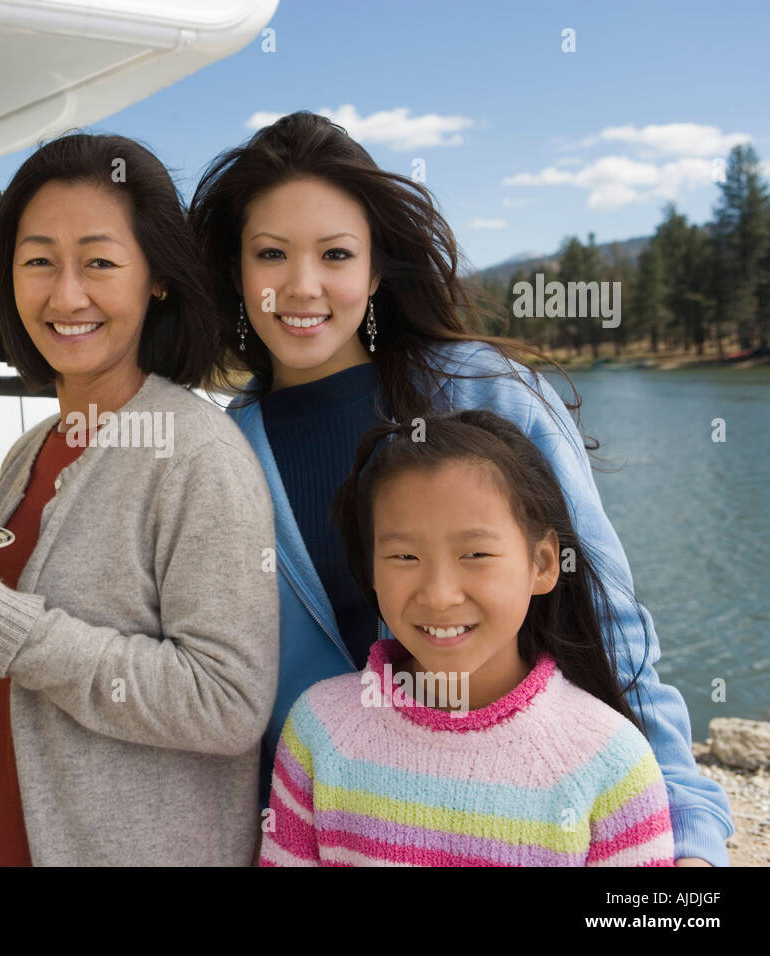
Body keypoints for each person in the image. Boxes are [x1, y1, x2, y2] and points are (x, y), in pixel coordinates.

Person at [188, 110, 732, 864]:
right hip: (343, 832)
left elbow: (609, 622)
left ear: (375, 272)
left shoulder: (487, 393)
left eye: (336, 254)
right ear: (236, 270)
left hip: (513, 825)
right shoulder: (222, 448)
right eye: (271, 254)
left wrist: (691, 834)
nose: (301, 286)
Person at [0, 132, 279, 866]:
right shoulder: (33, 450)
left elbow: (227, 704)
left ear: (158, 280)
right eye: (39, 261)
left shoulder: (196, 457)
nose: (66, 294)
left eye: (100, 263)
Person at [260, 410, 675, 866]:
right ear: (371, 567)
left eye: (475, 553)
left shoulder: (610, 761)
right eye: (404, 555)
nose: (439, 595)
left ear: (542, 563)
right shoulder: (320, 731)